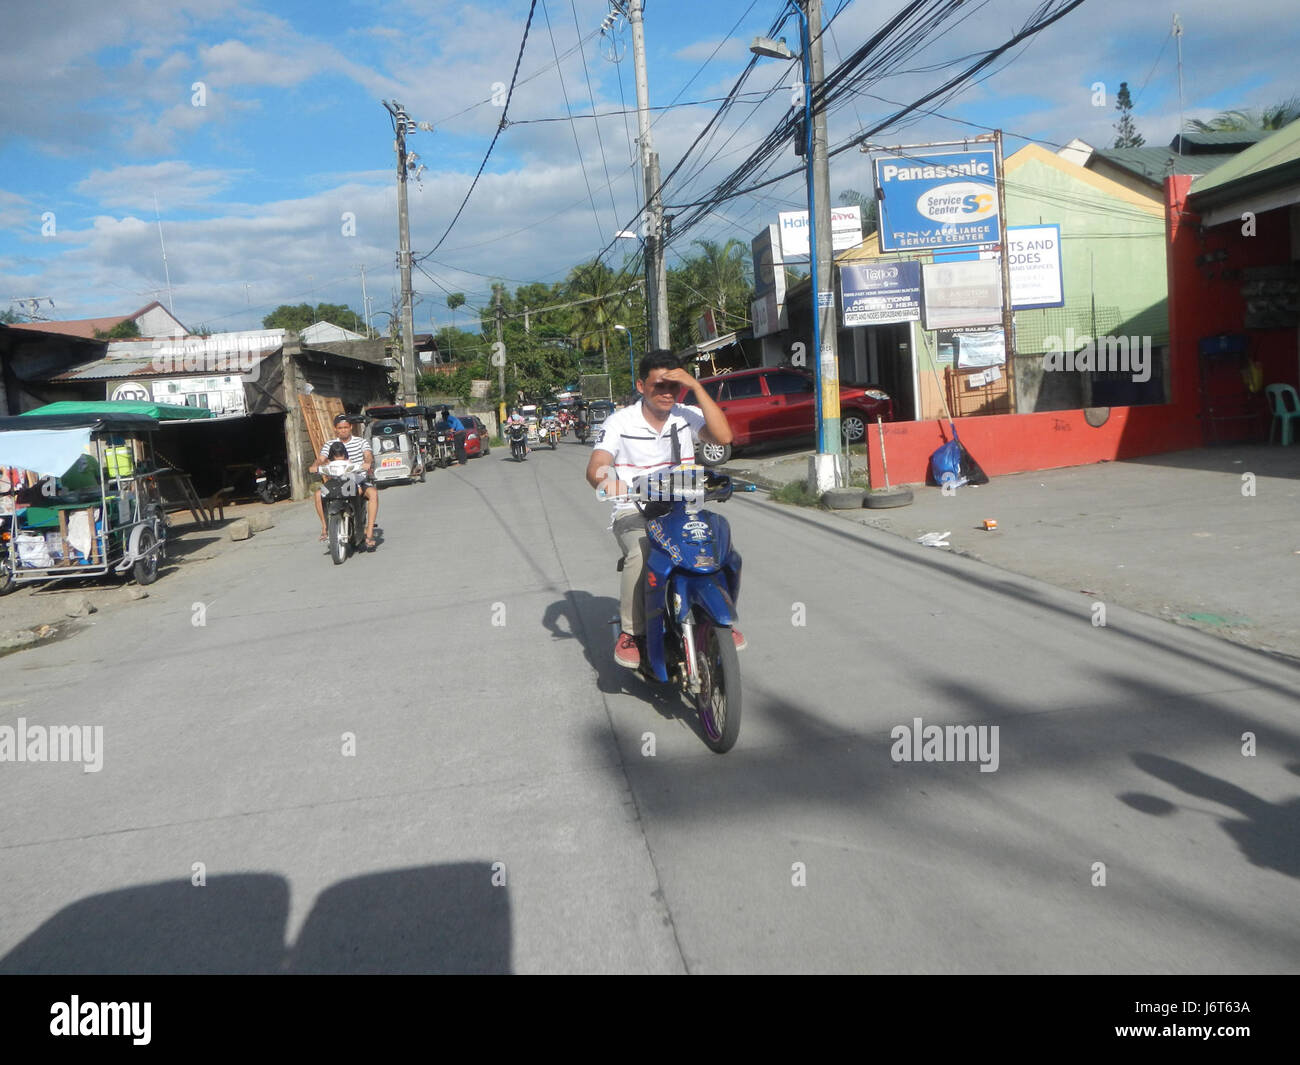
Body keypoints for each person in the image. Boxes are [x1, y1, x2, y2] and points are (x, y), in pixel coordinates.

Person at [584, 350, 744, 670]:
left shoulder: (686, 414)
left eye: (675, 386)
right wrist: (610, 483)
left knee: (723, 547)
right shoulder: (620, 422)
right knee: (642, 552)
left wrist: (696, 387)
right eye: (660, 386)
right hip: (636, 509)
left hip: (685, 505)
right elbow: (598, 466)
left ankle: (719, 619)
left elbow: (724, 437)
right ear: (642, 386)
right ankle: (632, 632)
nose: (668, 393)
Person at [309, 413, 378, 548]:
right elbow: (321, 458)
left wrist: (367, 462)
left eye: (345, 427)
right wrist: (315, 465)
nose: (343, 430)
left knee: (373, 493)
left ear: (350, 427)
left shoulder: (361, 442)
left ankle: (369, 532)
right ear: (335, 429)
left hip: (357, 480)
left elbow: (368, 455)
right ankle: (325, 528)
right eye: (340, 428)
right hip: (335, 483)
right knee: (318, 494)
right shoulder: (330, 444)